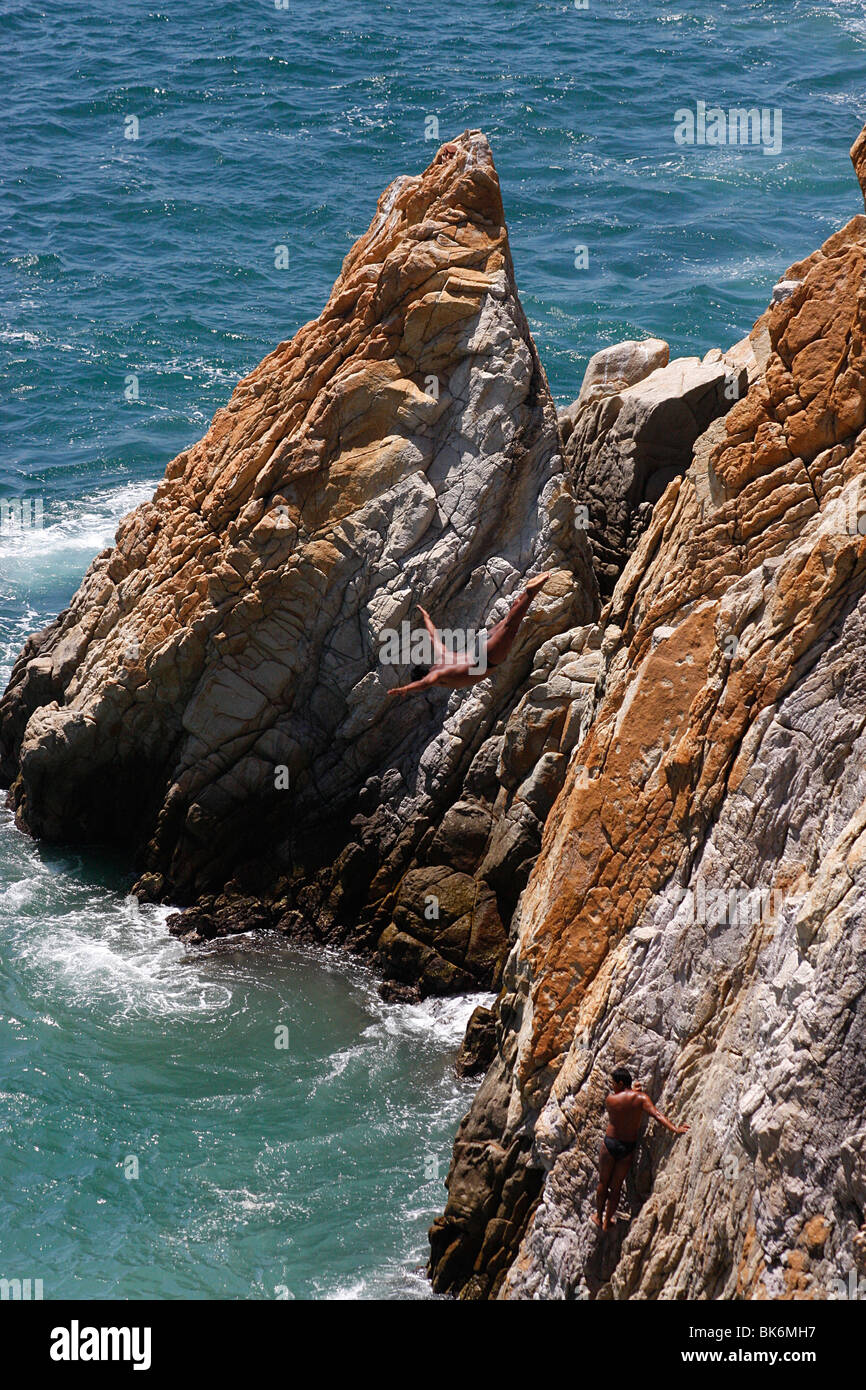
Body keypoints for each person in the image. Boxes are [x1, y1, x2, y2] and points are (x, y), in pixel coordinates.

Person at [386, 572, 552, 698]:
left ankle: (531, 592)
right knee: (509, 619)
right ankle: (527, 593)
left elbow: (424, 684)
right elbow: (432, 636)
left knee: (511, 626)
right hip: (478, 647)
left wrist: (405, 689)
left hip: (485, 660)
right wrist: (426, 618)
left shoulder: (437, 676)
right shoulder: (443, 656)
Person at [593, 1066, 688, 1231]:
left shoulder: (610, 1100)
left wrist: (628, 1090)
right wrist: (675, 1128)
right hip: (627, 1147)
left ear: (621, 1083)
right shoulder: (641, 1099)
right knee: (615, 1187)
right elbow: (657, 1115)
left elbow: (620, 1098)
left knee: (603, 1182)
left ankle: (598, 1217)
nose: (612, 1086)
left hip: (610, 1143)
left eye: (614, 1083)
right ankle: (608, 1222)